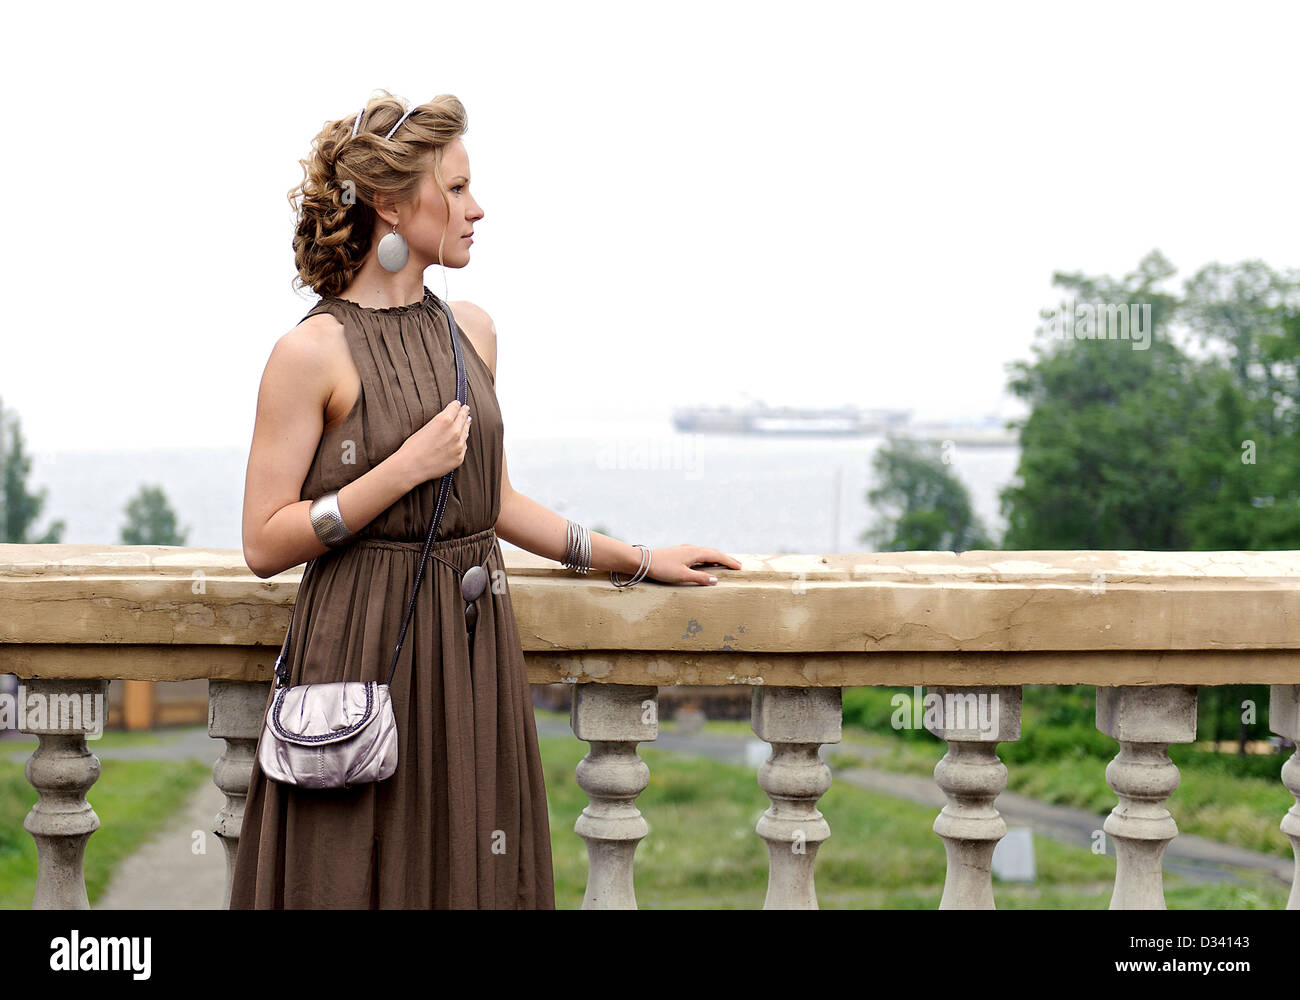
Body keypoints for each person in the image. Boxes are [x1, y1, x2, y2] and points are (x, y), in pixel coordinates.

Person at [231, 91, 742, 909]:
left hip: (473, 648)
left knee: (471, 866)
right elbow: (264, 541)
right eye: (458, 188)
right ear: (395, 205)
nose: (478, 209)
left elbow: (491, 500)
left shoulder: (472, 331)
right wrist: (395, 473)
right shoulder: (310, 353)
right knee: (355, 873)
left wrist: (638, 558)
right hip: (364, 644)